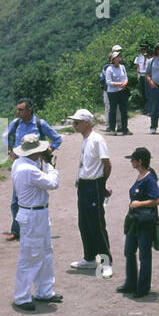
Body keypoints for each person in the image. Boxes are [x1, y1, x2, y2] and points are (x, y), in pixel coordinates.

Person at [11, 134, 62, 310]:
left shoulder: (21, 163)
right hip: (33, 214)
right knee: (30, 256)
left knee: (46, 252)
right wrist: (51, 166)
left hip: (37, 212)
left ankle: (44, 290)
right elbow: (52, 183)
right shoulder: (28, 169)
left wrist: (43, 162)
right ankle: (22, 296)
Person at [2, 99, 62, 240]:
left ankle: (26, 229)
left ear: (30, 110)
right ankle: (17, 230)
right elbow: (5, 137)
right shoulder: (16, 123)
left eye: (21, 110)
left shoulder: (40, 124)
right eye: (17, 109)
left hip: (35, 164)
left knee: (32, 196)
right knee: (16, 200)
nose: (18, 112)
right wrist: (10, 151)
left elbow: (57, 138)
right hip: (19, 162)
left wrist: (47, 152)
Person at [65, 108, 111, 271]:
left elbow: (107, 164)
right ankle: (89, 257)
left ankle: (106, 263)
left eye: (77, 122)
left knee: (96, 224)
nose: (74, 125)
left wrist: (102, 183)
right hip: (84, 185)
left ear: (86, 122)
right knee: (84, 223)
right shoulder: (86, 139)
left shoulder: (97, 139)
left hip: (93, 185)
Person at [118, 147, 159, 296]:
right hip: (134, 220)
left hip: (145, 221)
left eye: (133, 159)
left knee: (144, 254)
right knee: (129, 251)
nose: (131, 162)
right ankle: (130, 283)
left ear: (140, 161)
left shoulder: (149, 179)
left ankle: (143, 287)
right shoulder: (141, 176)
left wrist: (139, 204)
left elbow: (158, 199)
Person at [132, 43, 152, 115]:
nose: (143, 50)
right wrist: (138, 74)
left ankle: (150, 109)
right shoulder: (138, 57)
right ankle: (145, 108)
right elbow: (137, 67)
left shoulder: (150, 57)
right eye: (142, 49)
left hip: (148, 76)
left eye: (144, 49)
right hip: (141, 76)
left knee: (149, 92)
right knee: (143, 93)